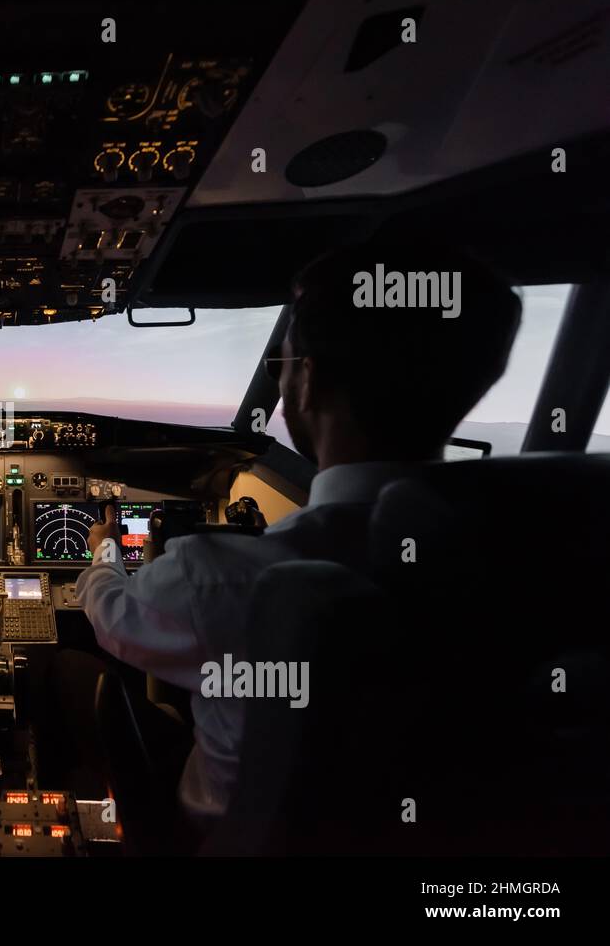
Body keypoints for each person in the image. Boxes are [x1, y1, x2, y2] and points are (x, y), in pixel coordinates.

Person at [61, 242, 523, 832]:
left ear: (307, 384)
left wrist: (104, 549)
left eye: (279, 369)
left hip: (230, 832)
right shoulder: (549, 554)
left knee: (74, 673)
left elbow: (115, 620)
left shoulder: (227, 576)